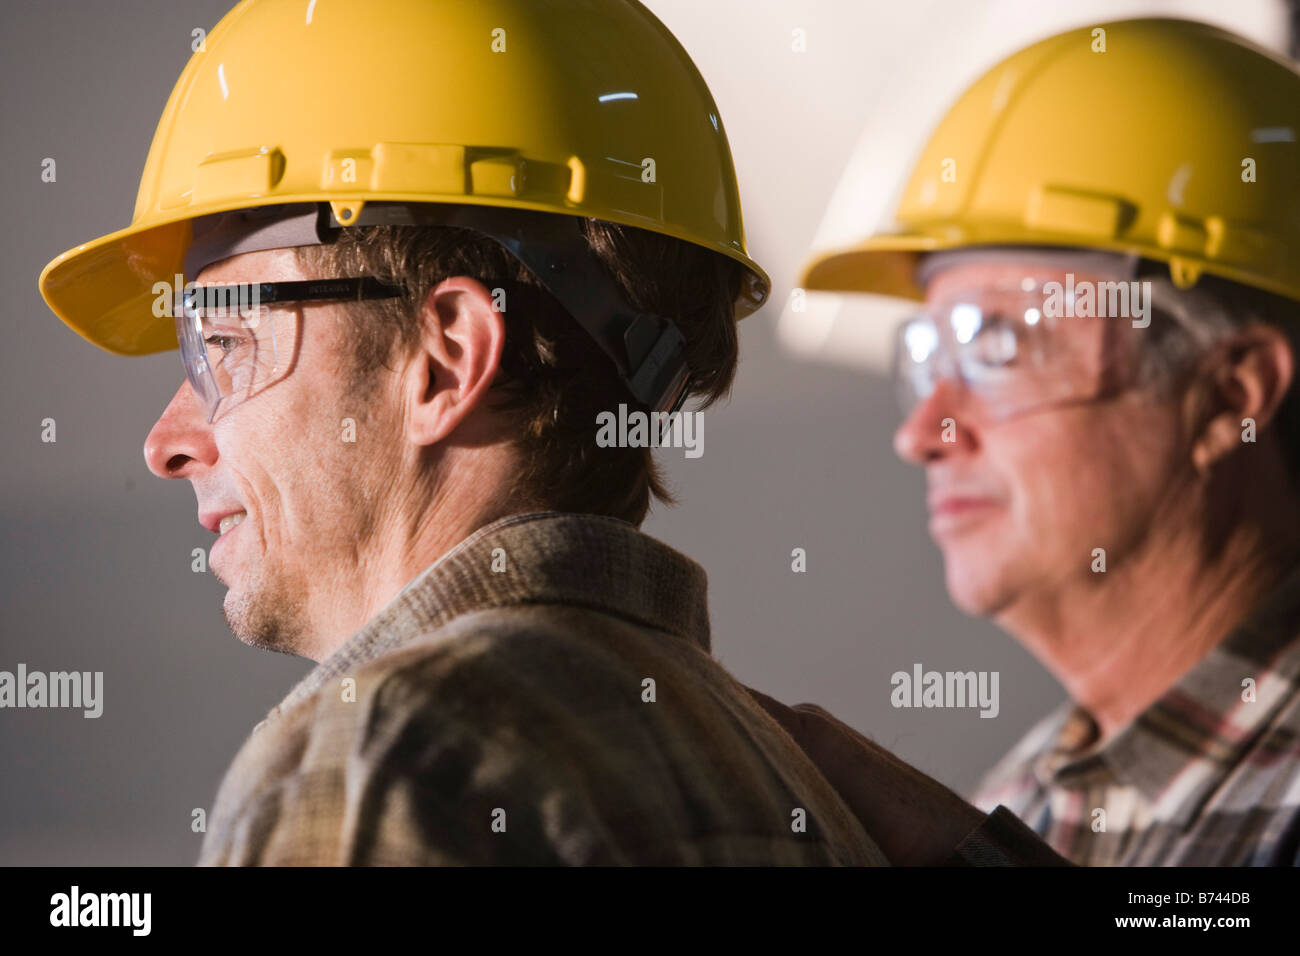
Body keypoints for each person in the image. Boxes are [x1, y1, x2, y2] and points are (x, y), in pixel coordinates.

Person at [38, 0, 1058, 866]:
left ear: (443, 357)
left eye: (223, 340)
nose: (167, 441)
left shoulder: (386, 755)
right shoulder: (800, 781)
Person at [799, 17, 1300, 865]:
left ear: (1229, 397)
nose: (924, 432)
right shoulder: (1018, 806)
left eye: (997, 345)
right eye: (927, 358)